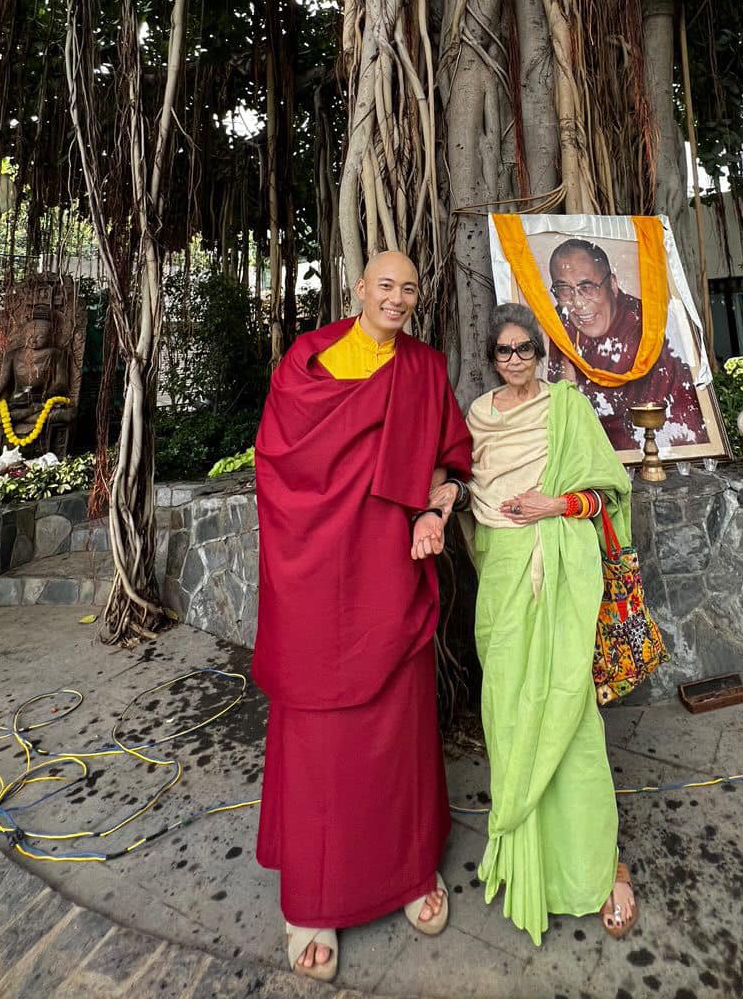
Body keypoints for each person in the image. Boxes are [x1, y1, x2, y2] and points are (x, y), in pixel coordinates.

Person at [252, 251, 473, 983]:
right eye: (387, 285)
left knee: (398, 722)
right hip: (315, 574)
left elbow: (444, 460)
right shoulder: (308, 361)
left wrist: (434, 513)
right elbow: (278, 466)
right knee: (320, 730)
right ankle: (314, 900)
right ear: (358, 290)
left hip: (389, 566)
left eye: (411, 287)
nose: (400, 298)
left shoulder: (422, 369)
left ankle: (410, 872)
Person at [462, 301, 639, 947]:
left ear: (540, 353)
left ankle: (599, 867)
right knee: (509, 713)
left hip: (560, 571)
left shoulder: (567, 409)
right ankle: (528, 854)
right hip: (503, 577)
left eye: (525, 350)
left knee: (573, 718)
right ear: (491, 359)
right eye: (504, 352)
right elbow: (464, 490)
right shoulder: (478, 418)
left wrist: (553, 504)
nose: (515, 361)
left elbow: (607, 494)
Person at [546, 236, 706, 453]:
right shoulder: (560, 323)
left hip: (659, 450)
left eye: (588, 287)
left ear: (612, 284)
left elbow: (679, 417)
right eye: (564, 290)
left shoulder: (648, 326)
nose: (578, 303)